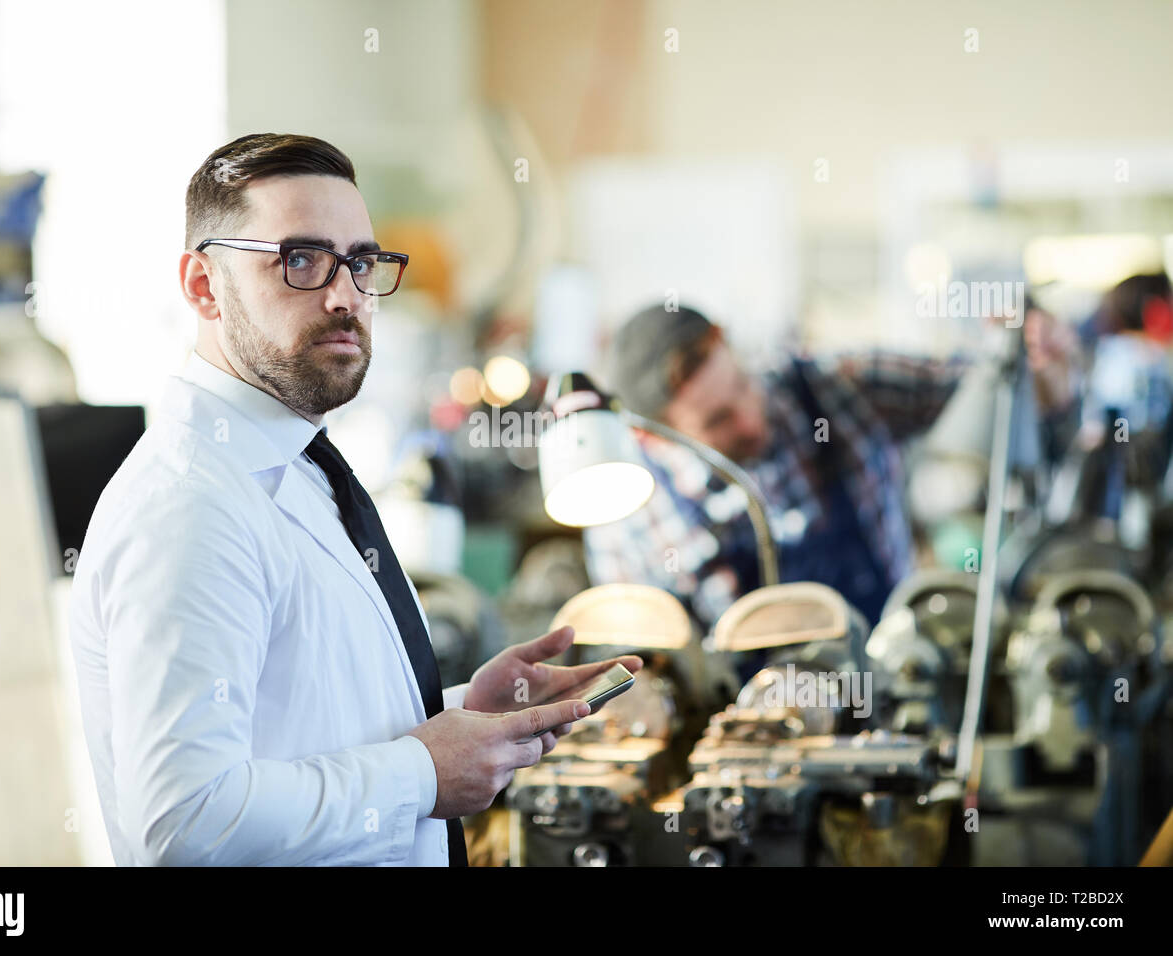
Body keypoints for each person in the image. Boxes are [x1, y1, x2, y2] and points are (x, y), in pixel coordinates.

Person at [67, 133, 641, 867]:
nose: (346, 297)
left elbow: (306, 722)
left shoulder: (301, 464)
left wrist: (464, 716)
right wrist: (424, 772)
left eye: (361, 263)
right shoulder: (191, 506)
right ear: (203, 286)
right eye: (299, 260)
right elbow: (187, 823)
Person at [582, 303, 1079, 629]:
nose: (751, 419)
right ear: (650, 435)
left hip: (895, 681)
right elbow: (646, 663)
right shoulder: (629, 512)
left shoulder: (841, 388)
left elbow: (1002, 392)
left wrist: (1045, 366)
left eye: (741, 386)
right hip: (745, 746)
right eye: (719, 421)